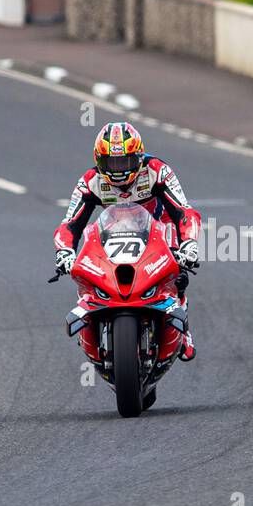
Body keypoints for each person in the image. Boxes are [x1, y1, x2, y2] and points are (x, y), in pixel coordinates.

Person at [52, 123, 202, 361]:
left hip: (159, 227)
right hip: (114, 230)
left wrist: (189, 244)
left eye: (124, 162)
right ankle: (91, 317)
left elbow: (184, 212)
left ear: (138, 156)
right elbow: (70, 224)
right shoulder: (90, 181)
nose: (118, 170)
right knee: (86, 274)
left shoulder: (158, 170)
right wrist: (65, 253)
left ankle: (183, 332)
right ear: (99, 161)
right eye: (112, 163)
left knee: (179, 274)